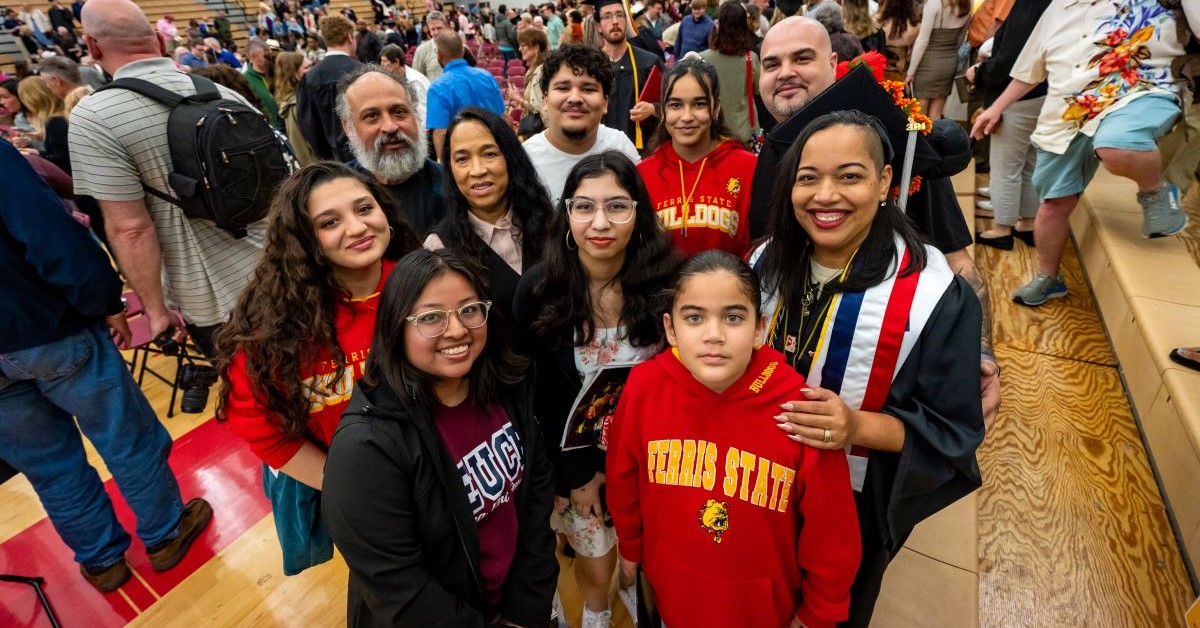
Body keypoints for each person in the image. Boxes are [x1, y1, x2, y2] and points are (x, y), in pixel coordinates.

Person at [756, 110, 985, 625]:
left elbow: (951, 431)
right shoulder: (764, 264)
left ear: (885, 181)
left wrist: (856, 427)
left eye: (850, 176)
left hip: (850, 505)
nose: (825, 195)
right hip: (753, 483)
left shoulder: (932, 294)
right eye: (808, 178)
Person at [751, 17, 1000, 430]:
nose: (786, 72)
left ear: (833, 63)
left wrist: (981, 352)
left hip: (879, 392)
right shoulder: (769, 155)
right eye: (772, 63)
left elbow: (960, 263)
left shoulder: (894, 150)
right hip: (785, 397)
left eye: (802, 58)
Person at [0, 139, 213, 594]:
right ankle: (166, 532)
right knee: (125, 436)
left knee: (50, 467)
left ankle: (102, 560)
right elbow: (48, 234)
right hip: (46, 328)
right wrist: (103, 299)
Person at [606, 250, 862, 627]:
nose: (714, 335)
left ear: (759, 328)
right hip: (673, 596)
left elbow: (832, 534)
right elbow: (623, 476)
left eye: (733, 317)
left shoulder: (798, 408)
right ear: (671, 328)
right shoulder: (645, 389)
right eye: (694, 317)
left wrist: (818, 614)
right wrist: (629, 547)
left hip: (762, 612)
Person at [323, 248, 558, 627]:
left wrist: (525, 609)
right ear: (396, 328)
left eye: (469, 309)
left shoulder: (504, 386)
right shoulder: (365, 449)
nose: (457, 329)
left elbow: (535, 497)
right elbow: (400, 589)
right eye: (431, 317)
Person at [216, 162, 418, 575]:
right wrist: (352, 492)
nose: (358, 227)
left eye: (365, 208)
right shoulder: (275, 328)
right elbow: (264, 431)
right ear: (304, 240)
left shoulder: (428, 288)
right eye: (330, 221)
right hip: (364, 499)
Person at [512, 152, 680, 628]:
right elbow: (537, 394)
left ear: (639, 213)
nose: (599, 222)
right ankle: (596, 611)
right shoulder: (539, 290)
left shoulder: (668, 283)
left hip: (650, 453)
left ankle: (633, 595)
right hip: (575, 459)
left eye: (617, 206)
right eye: (584, 207)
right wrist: (576, 473)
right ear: (566, 214)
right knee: (594, 550)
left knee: (644, 550)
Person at [69, 0, 267, 357]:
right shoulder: (222, 91)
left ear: (93, 46)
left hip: (213, 298)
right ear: (160, 41)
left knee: (258, 400)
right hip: (279, 266)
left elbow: (131, 228)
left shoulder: (95, 116)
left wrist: (156, 310)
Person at [971, 0, 1193, 306]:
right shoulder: (1056, 9)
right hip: (1067, 112)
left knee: (1115, 145)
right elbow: (1029, 70)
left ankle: (1156, 191)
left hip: (1132, 97)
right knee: (1052, 204)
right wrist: (996, 108)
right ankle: (1049, 278)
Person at [425, 107, 553, 319]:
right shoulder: (439, 247)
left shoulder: (548, 221)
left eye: (489, 154)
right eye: (462, 159)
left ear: (511, 158)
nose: (477, 170)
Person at [637, 57, 756, 257]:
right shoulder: (642, 174)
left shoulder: (749, 168)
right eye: (675, 105)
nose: (686, 117)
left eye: (699, 104)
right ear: (663, 110)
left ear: (716, 107)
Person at [968, 0, 1049, 250]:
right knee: (1029, 163)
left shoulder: (1028, 5)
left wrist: (981, 72)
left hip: (1016, 94)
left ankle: (1001, 229)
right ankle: (1027, 223)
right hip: (1044, 92)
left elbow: (1010, 58)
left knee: (1006, 166)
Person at [522, 44, 641, 205]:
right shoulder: (525, 160)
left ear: (605, 102)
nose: (575, 98)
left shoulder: (621, 146)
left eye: (588, 89)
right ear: (545, 100)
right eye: (563, 88)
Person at [339, 65, 447, 237]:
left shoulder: (452, 187)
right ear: (348, 128)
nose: (390, 127)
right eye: (371, 116)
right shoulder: (336, 194)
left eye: (399, 112)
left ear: (417, 115)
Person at [425, 30, 506, 159]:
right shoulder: (486, 76)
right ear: (463, 51)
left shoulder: (438, 88)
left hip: (464, 156)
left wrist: (444, 167)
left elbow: (440, 132)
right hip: (494, 148)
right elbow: (503, 117)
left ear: (439, 55)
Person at [595, 0, 661, 152]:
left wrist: (652, 108)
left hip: (641, 152)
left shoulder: (649, 62)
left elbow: (672, 103)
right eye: (607, 16)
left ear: (626, 20)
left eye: (620, 15)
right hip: (600, 154)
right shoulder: (590, 65)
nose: (615, 21)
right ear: (599, 26)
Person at [296, 14, 363, 162]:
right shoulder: (364, 72)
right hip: (366, 155)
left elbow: (308, 124)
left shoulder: (310, 77)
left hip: (334, 160)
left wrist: (327, 156)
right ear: (350, 37)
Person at [699, 1, 761, 146]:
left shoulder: (702, 58)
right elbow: (758, 90)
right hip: (744, 130)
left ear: (718, 25)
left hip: (713, 130)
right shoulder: (750, 58)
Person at [906, 0, 970, 121]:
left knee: (919, 114)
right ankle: (934, 139)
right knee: (936, 114)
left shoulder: (934, 3)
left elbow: (922, 41)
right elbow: (961, 39)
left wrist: (910, 72)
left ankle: (916, 140)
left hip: (927, 63)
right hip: (949, 62)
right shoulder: (967, 3)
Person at [17, 76, 70, 174]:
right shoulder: (63, 113)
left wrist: (37, 157)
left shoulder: (54, 121)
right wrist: (37, 152)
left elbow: (62, 161)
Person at [275, 50, 318, 166]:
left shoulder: (300, 97)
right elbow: (300, 147)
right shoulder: (295, 104)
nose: (312, 70)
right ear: (294, 73)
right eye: (307, 67)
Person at [506, 27, 549, 131]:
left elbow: (540, 109)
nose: (520, 49)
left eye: (523, 45)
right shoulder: (532, 69)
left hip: (541, 130)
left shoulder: (541, 71)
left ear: (536, 48)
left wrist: (519, 99)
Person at [380, 43, 431, 124]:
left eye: (385, 61)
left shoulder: (414, 81)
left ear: (396, 62)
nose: (381, 64)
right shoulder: (390, 78)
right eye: (381, 61)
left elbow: (422, 111)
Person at [875, 0, 920, 82]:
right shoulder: (915, 26)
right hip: (901, 71)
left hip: (880, 69)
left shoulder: (876, 22)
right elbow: (913, 54)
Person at [245, 38, 282, 129]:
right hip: (271, 129)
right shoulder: (246, 80)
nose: (269, 58)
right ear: (253, 57)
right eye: (265, 55)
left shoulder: (278, 71)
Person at [412, 10, 450, 81]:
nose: (436, 32)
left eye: (439, 28)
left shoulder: (457, 46)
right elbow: (416, 78)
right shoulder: (422, 50)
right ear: (429, 29)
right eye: (433, 29)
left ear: (446, 27)